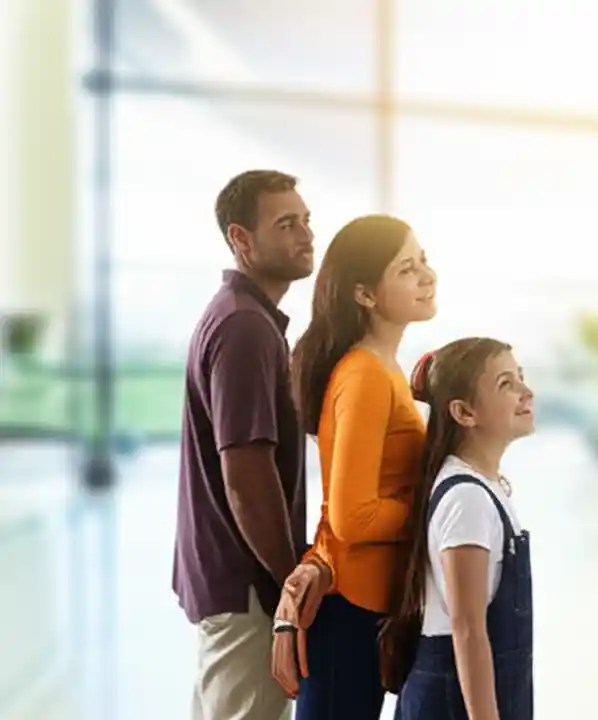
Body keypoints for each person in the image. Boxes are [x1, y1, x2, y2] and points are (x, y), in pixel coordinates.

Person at [174, 169, 330, 720]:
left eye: (306, 220)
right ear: (241, 239)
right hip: (248, 586)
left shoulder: (245, 319)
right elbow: (246, 476)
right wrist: (293, 580)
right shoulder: (244, 329)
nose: (306, 234)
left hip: (231, 580)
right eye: (286, 224)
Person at [270, 214, 438, 719]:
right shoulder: (364, 374)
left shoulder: (384, 369)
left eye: (424, 261)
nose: (427, 276)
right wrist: (431, 508)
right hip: (349, 610)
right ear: (365, 294)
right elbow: (353, 515)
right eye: (407, 268)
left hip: (366, 604)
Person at [387, 337, 536, 720]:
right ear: (464, 412)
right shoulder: (466, 498)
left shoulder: (485, 486)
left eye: (520, 378)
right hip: (451, 699)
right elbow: (467, 628)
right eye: (507, 384)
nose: (526, 392)